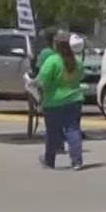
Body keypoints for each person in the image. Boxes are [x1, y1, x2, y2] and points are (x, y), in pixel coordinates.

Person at [37, 31, 86, 170]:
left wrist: (34, 84)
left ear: (57, 45)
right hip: (74, 99)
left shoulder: (52, 61)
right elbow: (82, 76)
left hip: (53, 102)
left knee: (52, 133)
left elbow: (42, 81)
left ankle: (49, 160)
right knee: (73, 130)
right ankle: (76, 161)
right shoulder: (77, 61)